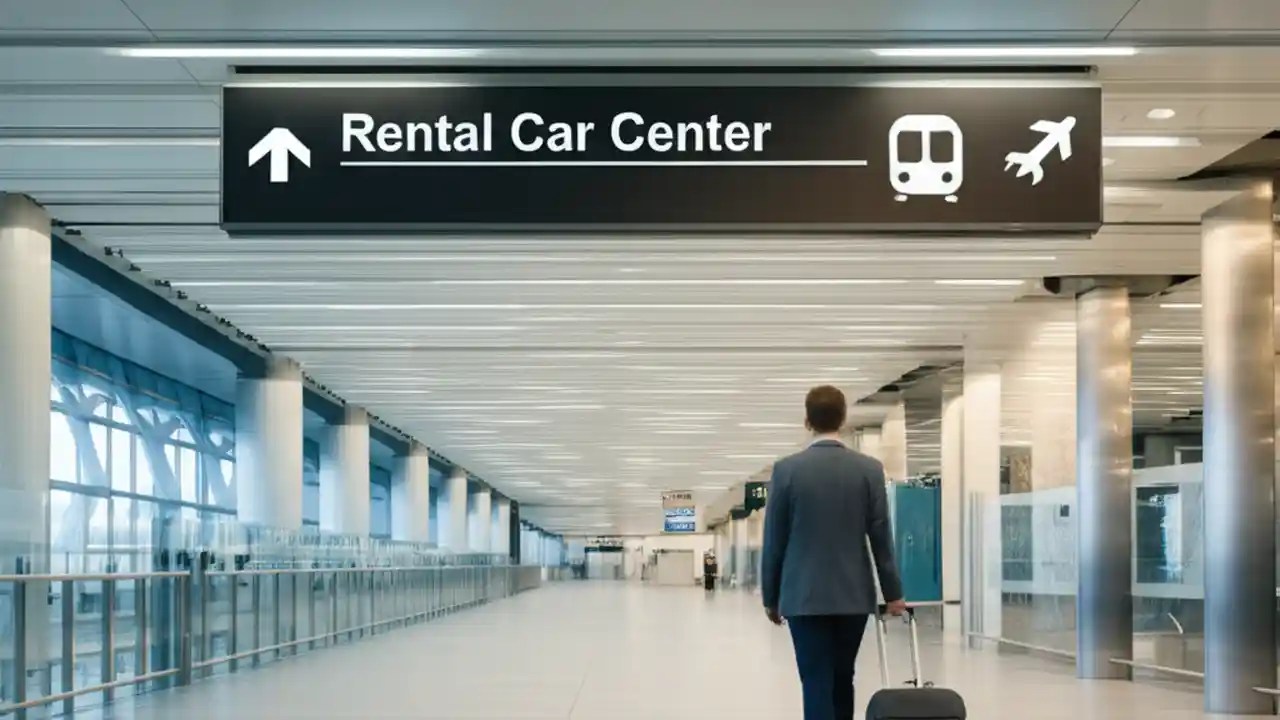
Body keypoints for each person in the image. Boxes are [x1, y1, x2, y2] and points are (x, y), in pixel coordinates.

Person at [761, 385, 906, 720]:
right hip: (852, 597)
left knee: (815, 680)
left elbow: (775, 540)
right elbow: (881, 536)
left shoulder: (786, 471)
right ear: (843, 419)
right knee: (844, 678)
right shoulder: (869, 469)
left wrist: (771, 596)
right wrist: (893, 593)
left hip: (803, 597)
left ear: (806, 421)